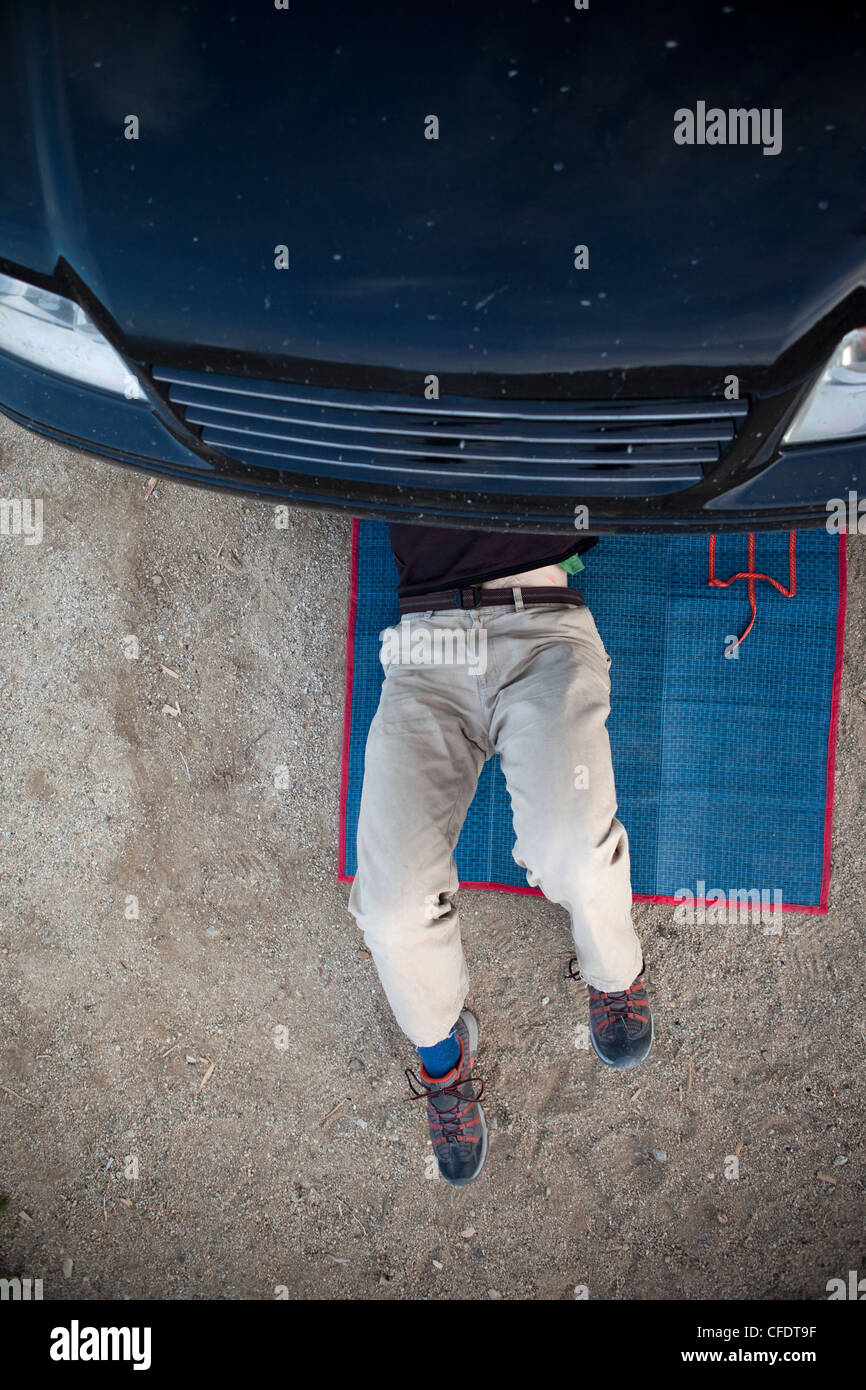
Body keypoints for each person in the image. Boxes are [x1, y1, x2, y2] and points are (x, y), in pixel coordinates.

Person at [348, 522, 653, 1187]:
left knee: (570, 850)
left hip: (541, 630)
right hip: (426, 652)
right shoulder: (376, 417)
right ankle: (442, 1054)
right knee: (389, 910)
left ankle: (613, 974)